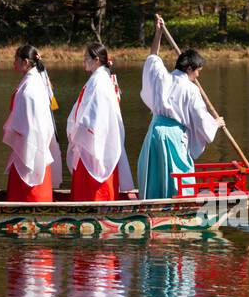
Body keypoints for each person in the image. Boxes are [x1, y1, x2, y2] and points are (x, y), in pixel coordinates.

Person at [137, 15, 225, 198]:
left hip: (154, 131)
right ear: (190, 69)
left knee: (155, 172)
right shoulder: (191, 89)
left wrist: (158, 33)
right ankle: (179, 202)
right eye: (198, 71)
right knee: (181, 171)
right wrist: (215, 123)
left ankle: (154, 199)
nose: (198, 75)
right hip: (173, 136)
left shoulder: (162, 77)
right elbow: (201, 119)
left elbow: (153, 57)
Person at [67, 43, 138, 201]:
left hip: (95, 139)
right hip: (94, 137)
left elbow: (96, 113)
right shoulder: (99, 79)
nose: (84, 61)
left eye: (86, 58)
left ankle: (95, 209)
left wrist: (81, 132)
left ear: (96, 60)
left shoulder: (99, 82)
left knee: (94, 177)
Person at [2, 44, 62, 203]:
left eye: (16, 59)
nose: (13, 63)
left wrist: (16, 132)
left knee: (26, 186)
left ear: (26, 62)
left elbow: (28, 121)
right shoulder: (34, 81)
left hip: (29, 143)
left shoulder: (30, 88)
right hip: (33, 141)